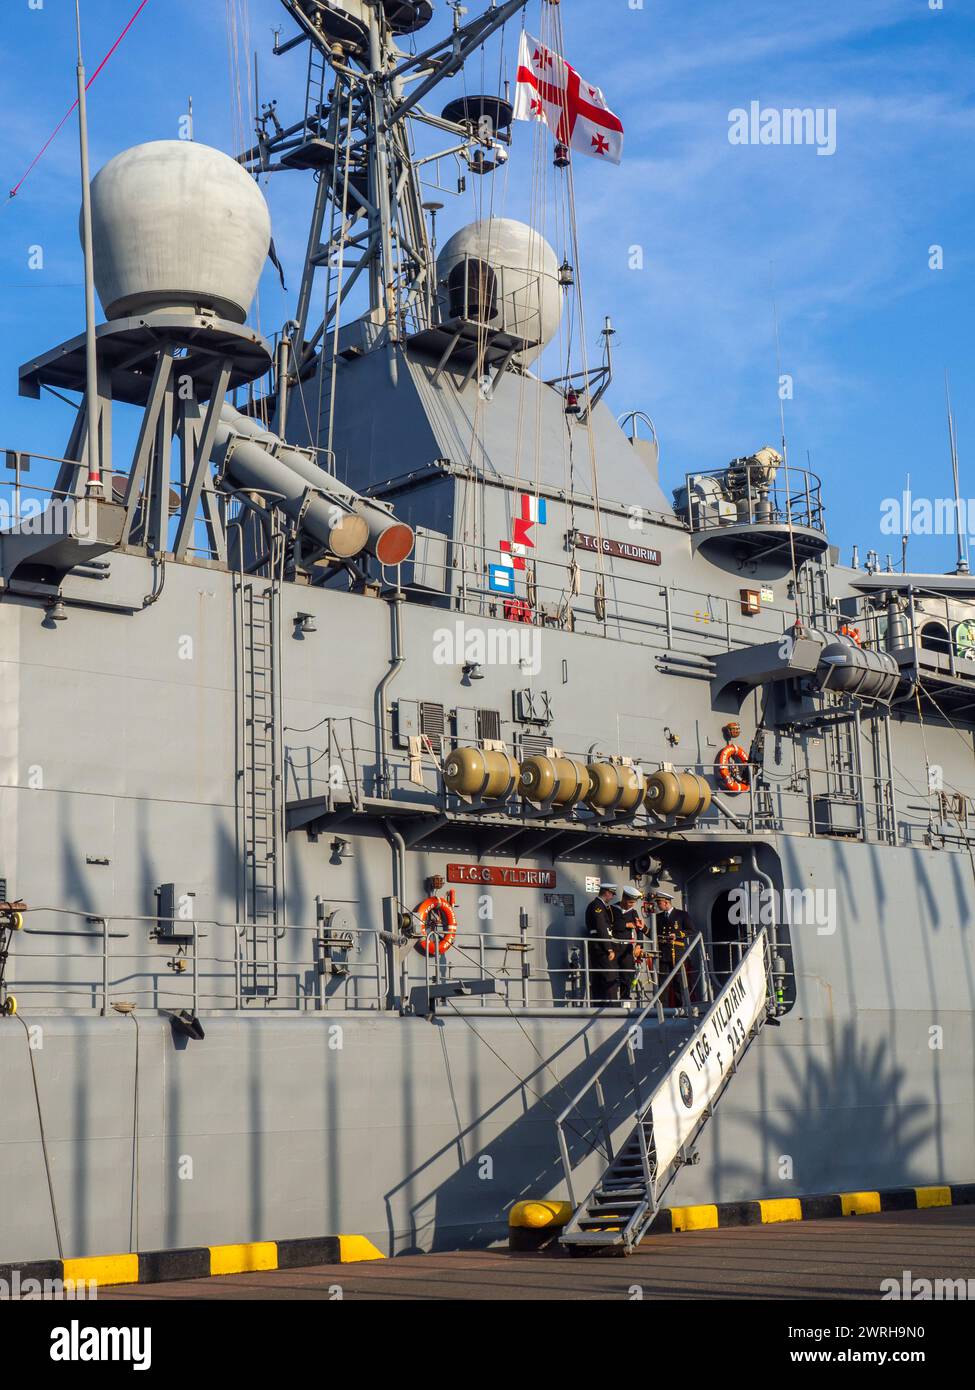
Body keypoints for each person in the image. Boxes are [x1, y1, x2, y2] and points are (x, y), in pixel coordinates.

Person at [654, 888, 698, 1008]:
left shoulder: (681, 915)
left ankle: (679, 1009)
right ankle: (662, 1009)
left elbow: (691, 931)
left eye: (659, 903)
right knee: (663, 982)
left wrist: (677, 935)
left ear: (666, 902)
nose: (658, 906)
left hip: (677, 953)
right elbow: (655, 935)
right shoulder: (658, 917)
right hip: (664, 953)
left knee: (678, 982)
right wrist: (643, 928)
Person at [585, 883, 619, 1004]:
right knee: (610, 977)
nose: (612, 897)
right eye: (612, 894)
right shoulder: (597, 906)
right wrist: (609, 948)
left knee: (599, 978)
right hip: (601, 947)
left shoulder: (599, 906)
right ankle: (612, 1008)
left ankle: (600, 1005)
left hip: (598, 946)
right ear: (607, 892)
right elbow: (601, 927)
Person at [612, 885, 644, 1004]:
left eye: (633, 902)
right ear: (623, 898)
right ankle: (612, 1002)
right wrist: (626, 925)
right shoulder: (612, 909)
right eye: (630, 902)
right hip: (614, 946)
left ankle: (625, 1001)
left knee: (627, 975)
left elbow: (639, 929)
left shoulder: (633, 912)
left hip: (627, 948)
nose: (631, 905)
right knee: (612, 975)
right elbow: (608, 925)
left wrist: (639, 945)